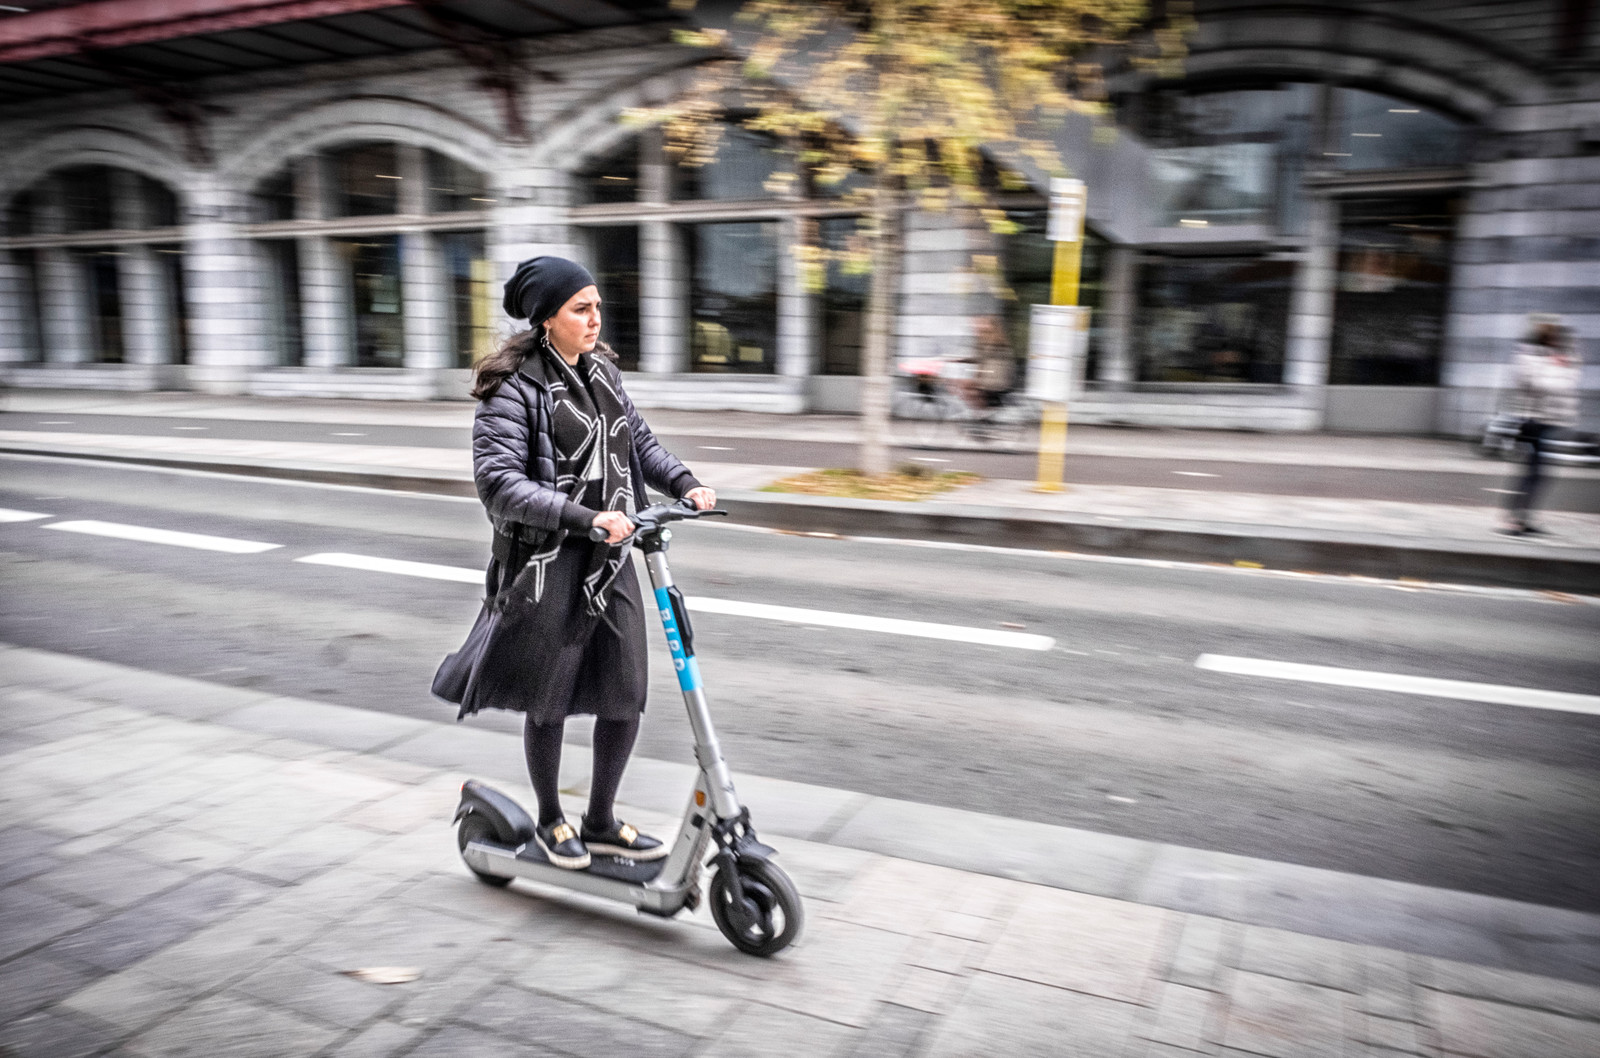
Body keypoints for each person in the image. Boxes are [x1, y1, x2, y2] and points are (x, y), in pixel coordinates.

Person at [433, 256, 715, 869]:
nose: (594, 319)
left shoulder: (604, 373)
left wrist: (685, 482)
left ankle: (601, 819)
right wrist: (583, 517)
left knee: (624, 690)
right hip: (548, 562)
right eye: (580, 308)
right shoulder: (515, 389)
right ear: (546, 319)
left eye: (596, 306)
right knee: (551, 696)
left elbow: (637, 443)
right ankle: (552, 820)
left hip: (609, 557)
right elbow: (499, 482)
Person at [1501, 318, 1580, 536]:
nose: (1559, 342)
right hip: (1533, 424)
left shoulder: (1552, 359)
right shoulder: (1529, 358)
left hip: (1548, 423)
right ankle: (1514, 520)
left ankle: (1521, 518)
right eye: (1555, 338)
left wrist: (1563, 366)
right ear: (1546, 339)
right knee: (1533, 473)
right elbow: (1541, 385)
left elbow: (1568, 386)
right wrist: (1558, 368)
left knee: (1538, 473)